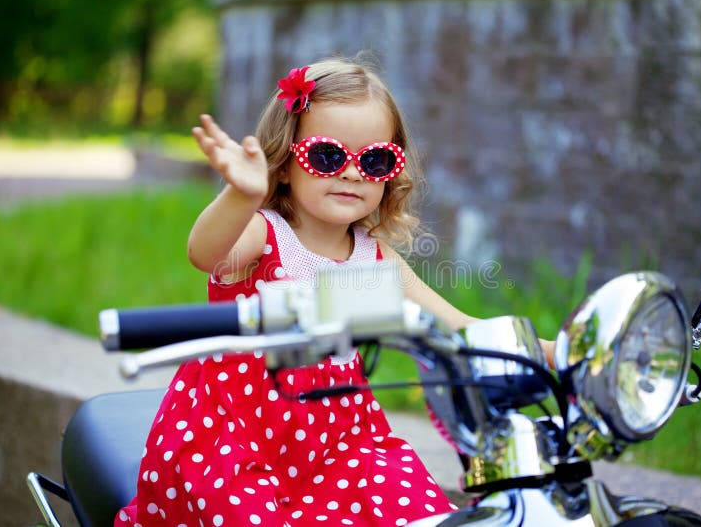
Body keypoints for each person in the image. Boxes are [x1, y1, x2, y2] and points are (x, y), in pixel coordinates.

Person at [116, 56, 549, 527]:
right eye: (327, 155)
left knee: (420, 511)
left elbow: (462, 327)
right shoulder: (263, 235)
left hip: (342, 443)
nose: (352, 173)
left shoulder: (375, 260)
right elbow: (206, 253)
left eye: (376, 159)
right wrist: (241, 196)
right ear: (283, 163)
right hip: (233, 439)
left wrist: (559, 352)